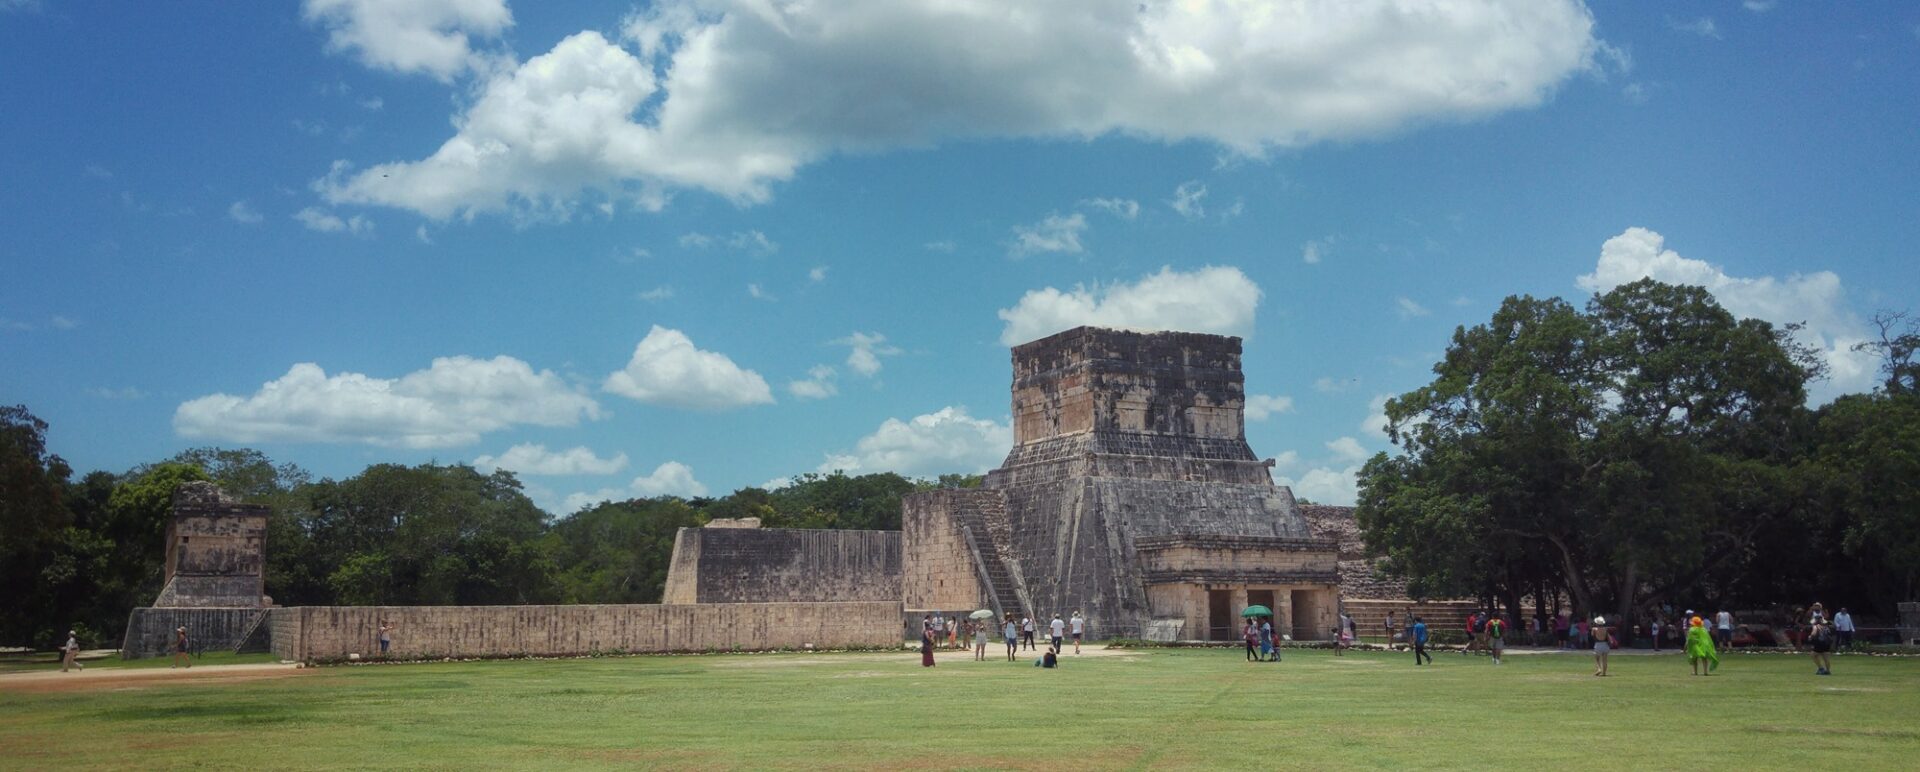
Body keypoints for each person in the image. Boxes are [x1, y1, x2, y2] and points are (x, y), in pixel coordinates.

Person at [1807, 611, 1835, 676]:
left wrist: (1810, 636)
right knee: (1826, 658)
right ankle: (1828, 671)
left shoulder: (1816, 626)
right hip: (1827, 644)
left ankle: (1821, 668)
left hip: (1819, 644)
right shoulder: (1826, 626)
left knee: (1812, 655)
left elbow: (1814, 632)